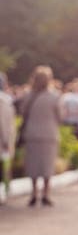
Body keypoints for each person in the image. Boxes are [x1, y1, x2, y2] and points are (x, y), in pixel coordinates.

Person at [19, 65, 62, 206]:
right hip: (49, 134)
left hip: (32, 134)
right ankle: (45, 194)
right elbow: (60, 116)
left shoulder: (28, 95)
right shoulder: (54, 96)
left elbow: (22, 113)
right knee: (47, 165)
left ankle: (33, 194)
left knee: (33, 165)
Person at [0, 72, 16, 204]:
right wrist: (6, 141)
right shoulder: (4, 101)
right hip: (2, 141)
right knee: (4, 168)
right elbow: (5, 124)